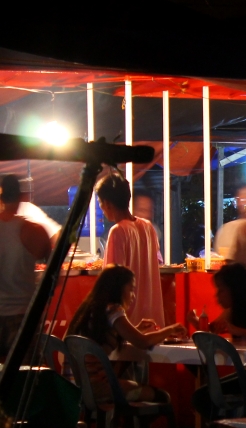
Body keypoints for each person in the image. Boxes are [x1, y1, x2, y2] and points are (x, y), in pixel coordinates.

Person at [67, 266, 186, 402]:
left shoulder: (89, 309)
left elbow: (110, 336)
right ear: (118, 289)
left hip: (74, 387)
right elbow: (143, 342)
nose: (132, 295)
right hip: (99, 389)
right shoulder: (113, 309)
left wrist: (136, 329)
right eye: (131, 289)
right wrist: (171, 329)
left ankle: (120, 423)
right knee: (162, 397)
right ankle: (130, 423)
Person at [98, 172, 165, 325]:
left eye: (100, 204)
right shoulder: (148, 227)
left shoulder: (118, 231)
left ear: (107, 203)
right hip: (152, 322)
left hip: (130, 325)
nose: (102, 209)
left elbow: (112, 283)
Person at [0, 175, 51, 357]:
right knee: (24, 377)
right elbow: (54, 276)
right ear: (22, 197)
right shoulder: (34, 231)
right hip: (23, 316)